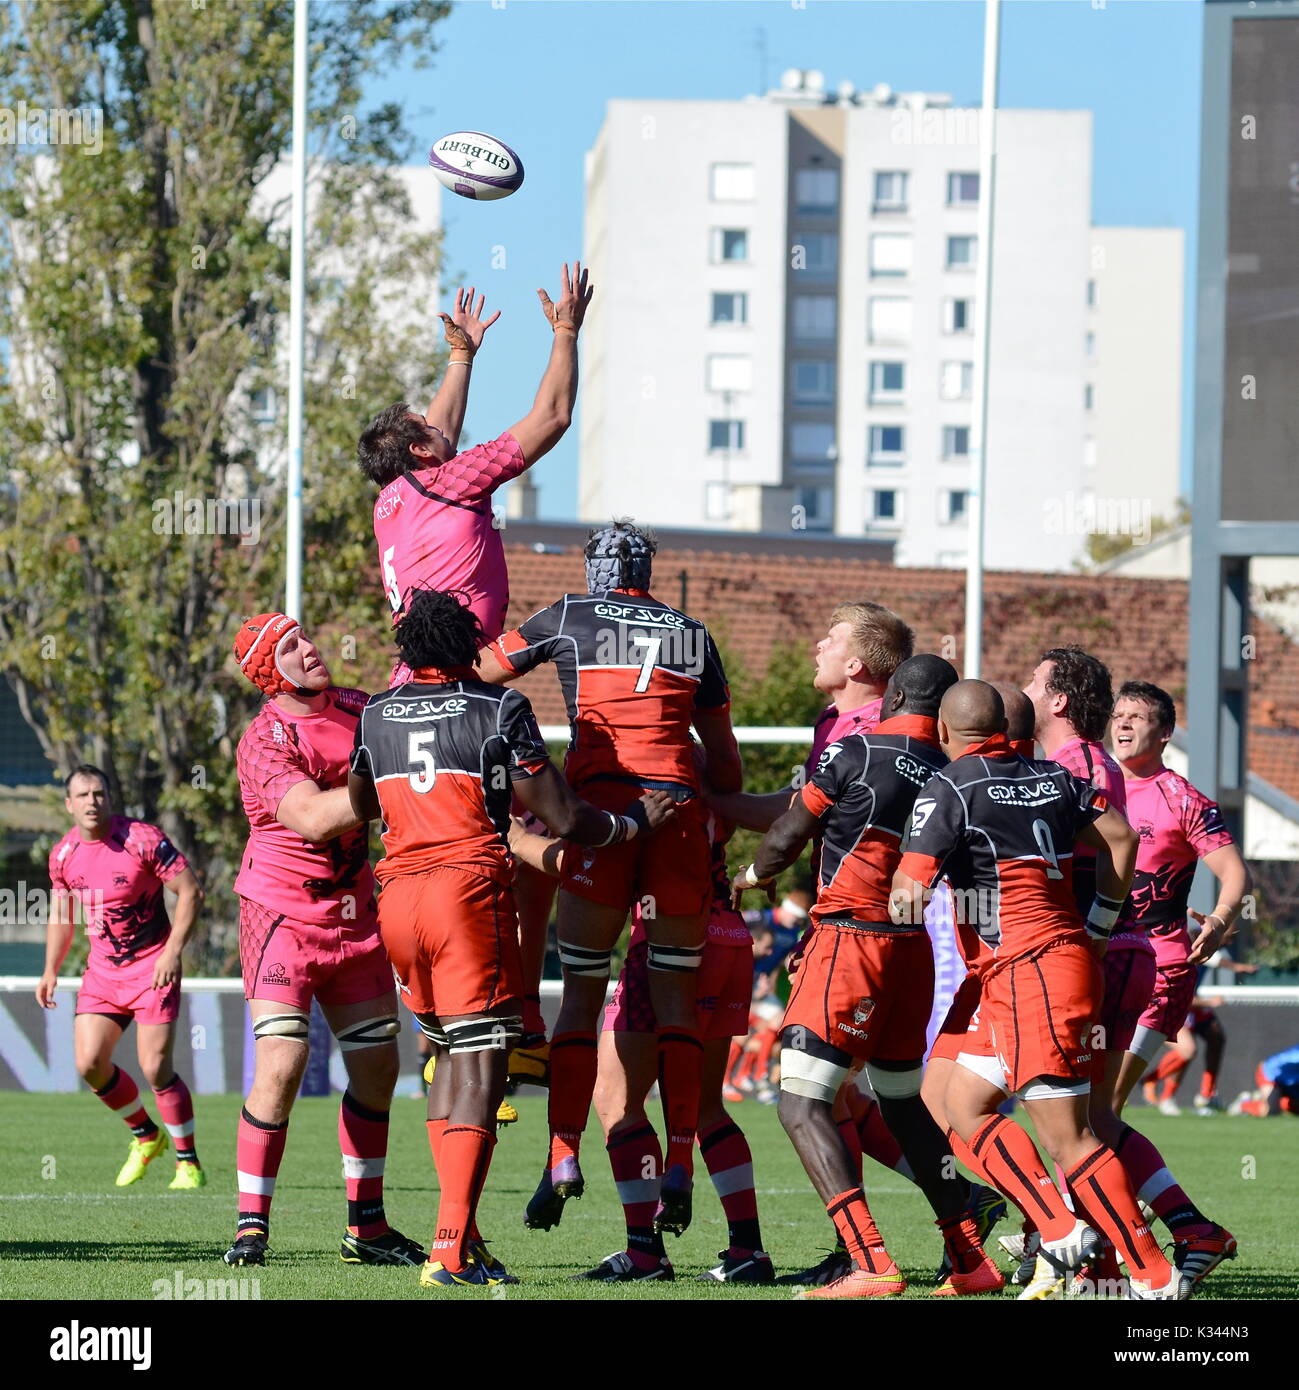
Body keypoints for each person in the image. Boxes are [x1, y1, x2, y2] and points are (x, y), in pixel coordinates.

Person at [347, 588, 673, 1287]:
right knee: (482, 1063)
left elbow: (361, 802)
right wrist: (633, 824)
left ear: (407, 649)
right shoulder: (499, 708)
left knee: (446, 1057)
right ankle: (446, 1247)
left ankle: (462, 1239)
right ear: (469, 644)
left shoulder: (375, 712)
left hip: (396, 898)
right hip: (465, 896)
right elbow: (565, 813)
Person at [479, 521, 742, 1236]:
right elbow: (726, 765)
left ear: (594, 569)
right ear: (647, 571)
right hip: (679, 814)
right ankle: (680, 1158)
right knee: (674, 1001)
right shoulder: (693, 634)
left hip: (599, 813)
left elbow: (480, 674)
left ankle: (563, 1154)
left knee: (582, 997)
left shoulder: (567, 613)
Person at [358, 269, 593, 1070]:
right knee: (507, 839)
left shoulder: (393, 496)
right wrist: (565, 331)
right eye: (428, 425)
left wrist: (459, 356)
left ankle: (456, 1017)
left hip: (407, 691)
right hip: (460, 690)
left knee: (459, 846)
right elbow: (552, 416)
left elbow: (434, 434)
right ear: (423, 450)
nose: (440, 422)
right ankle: (485, 1026)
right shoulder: (448, 478)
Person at [892, 679, 1186, 1301]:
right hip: (1037, 966)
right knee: (957, 1103)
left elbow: (907, 893)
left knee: (1070, 1136)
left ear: (945, 732)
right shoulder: (1052, 777)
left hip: (1030, 970)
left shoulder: (950, 785)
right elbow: (1123, 837)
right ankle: (1057, 1226)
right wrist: (1101, 922)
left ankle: (1151, 1273)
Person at [734, 655, 1002, 1299]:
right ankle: (970, 1257)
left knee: (801, 1103)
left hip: (853, 943)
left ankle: (870, 1262)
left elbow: (787, 836)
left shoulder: (857, 749)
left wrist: (745, 878)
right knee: (904, 1108)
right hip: (913, 953)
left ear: (897, 694)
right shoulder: (954, 773)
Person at [224, 613, 422, 1269]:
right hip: (280, 916)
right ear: (266, 672)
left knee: (377, 1068)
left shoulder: (363, 710)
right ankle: (251, 1225)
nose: (308, 648)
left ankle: (365, 1229)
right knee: (280, 1065)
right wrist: (384, 772)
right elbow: (311, 818)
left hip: (355, 918)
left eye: (304, 636)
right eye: (289, 646)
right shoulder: (262, 741)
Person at [511, 805, 769, 1283]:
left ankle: (646, 1253)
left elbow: (585, 859)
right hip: (729, 937)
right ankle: (748, 1249)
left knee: (615, 1101)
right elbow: (756, 809)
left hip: (668, 945)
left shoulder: (640, 791)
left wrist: (518, 839)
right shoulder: (701, 780)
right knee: (707, 1107)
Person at [1076, 680, 1244, 1290]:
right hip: (1099, 962)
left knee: (1097, 1115)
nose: (1123, 725)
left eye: (1138, 717)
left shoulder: (1182, 799)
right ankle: (1116, 1235)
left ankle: (1091, 1243)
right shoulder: (1091, 784)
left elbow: (1233, 873)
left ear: (1164, 732)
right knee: (1087, 1116)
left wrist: (1222, 919)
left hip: (1161, 966)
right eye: (1117, 715)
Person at [37, 766, 205, 1190]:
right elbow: (62, 915)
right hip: (103, 975)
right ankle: (146, 1136)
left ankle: (188, 1163)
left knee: (154, 1069)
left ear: (110, 799)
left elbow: (190, 892)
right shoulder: (62, 855)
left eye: (99, 793)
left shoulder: (142, 839)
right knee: (89, 1063)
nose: (92, 801)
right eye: (83, 795)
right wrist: (50, 971)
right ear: (69, 805)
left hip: (153, 967)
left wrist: (172, 952)